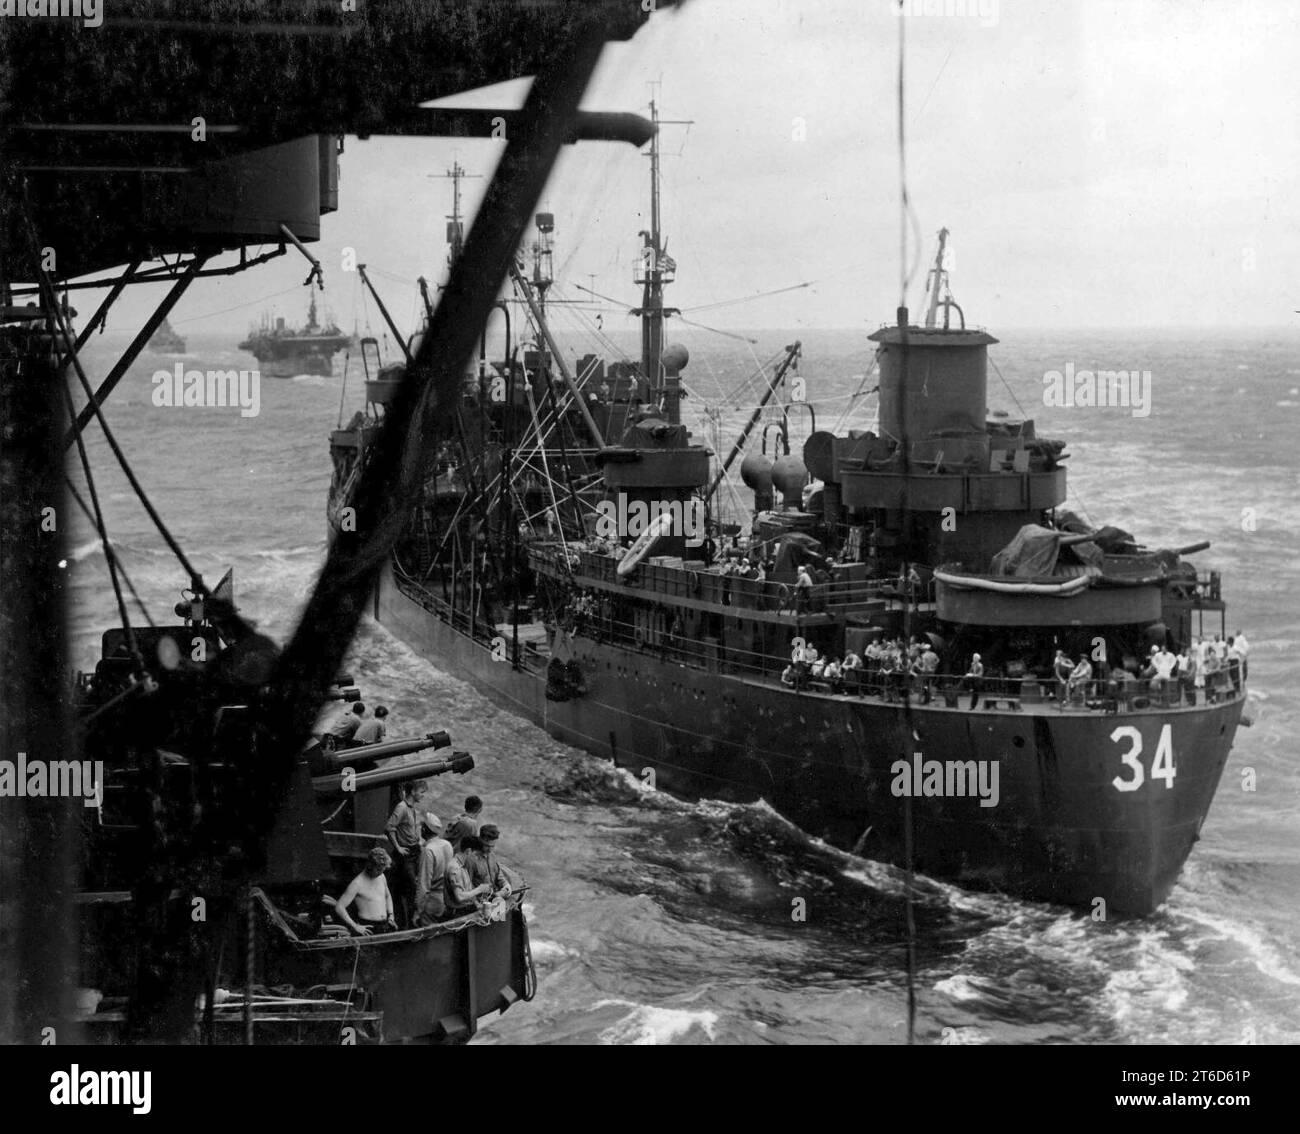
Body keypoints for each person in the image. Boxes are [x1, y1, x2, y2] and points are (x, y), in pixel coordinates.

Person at [385, 780, 427, 927]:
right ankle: (407, 923)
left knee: (412, 888)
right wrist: (398, 848)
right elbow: (389, 827)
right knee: (411, 887)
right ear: (413, 792)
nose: (423, 795)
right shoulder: (402, 808)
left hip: (414, 852)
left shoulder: (412, 808)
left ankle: (410, 920)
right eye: (421, 792)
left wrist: (419, 840)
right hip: (406, 855)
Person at [332, 847, 396, 936]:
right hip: (368, 927)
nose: (380, 873)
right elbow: (339, 907)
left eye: (382, 870)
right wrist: (355, 926)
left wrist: (391, 915)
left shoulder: (381, 877)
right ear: (370, 865)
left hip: (385, 925)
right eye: (378, 870)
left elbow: (387, 896)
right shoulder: (357, 883)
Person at [414, 812, 454, 925]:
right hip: (447, 898)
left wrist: (418, 910)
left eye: (422, 827)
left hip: (432, 901)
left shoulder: (428, 851)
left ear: (425, 830)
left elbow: (424, 884)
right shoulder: (447, 844)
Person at [444, 835, 493, 918]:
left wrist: (477, 904)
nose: (477, 858)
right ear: (469, 851)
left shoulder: (463, 865)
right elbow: (459, 896)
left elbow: (468, 890)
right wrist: (479, 889)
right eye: (476, 855)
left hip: (465, 909)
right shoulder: (455, 868)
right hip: (457, 914)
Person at [469, 824, 513, 896]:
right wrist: (492, 895)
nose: (490, 850)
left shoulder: (492, 855)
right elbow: (467, 886)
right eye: (486, 845)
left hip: (494, 895)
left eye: (492, 846)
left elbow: (498, 874)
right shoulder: (471, 859)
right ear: (480, 839)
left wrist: (505, 885)